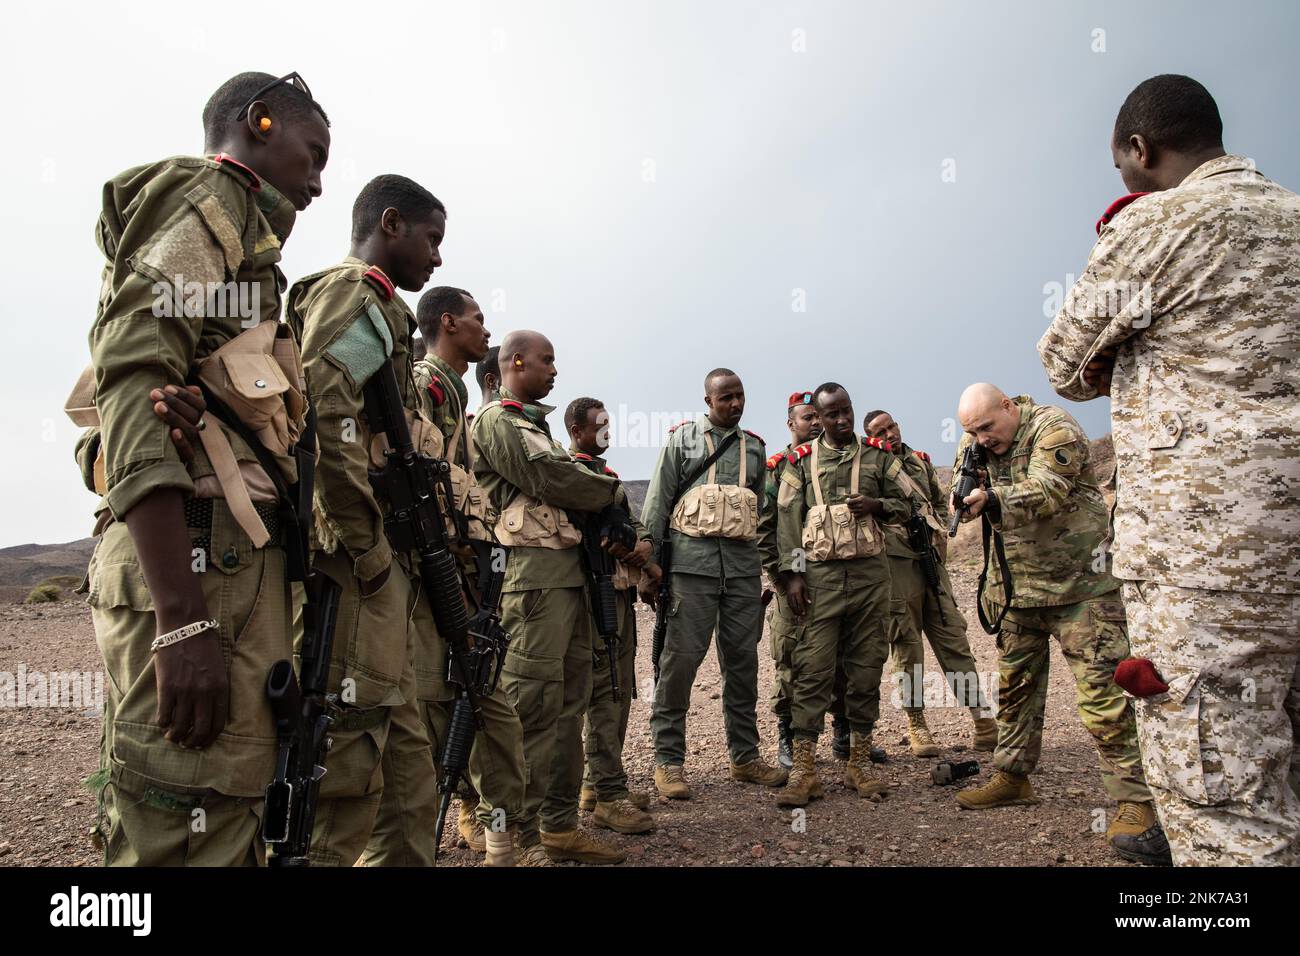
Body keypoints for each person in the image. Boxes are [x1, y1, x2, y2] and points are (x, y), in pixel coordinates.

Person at [1038, 74, 1300, 866]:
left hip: (1213, 565)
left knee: (1231, 810)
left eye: (1120, 162)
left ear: (1139, 150)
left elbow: (1064, 362)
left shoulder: (1158, 227)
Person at [77, 71, 329, 865]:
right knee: (185, 817)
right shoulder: (209, 196)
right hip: (193, 559)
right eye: (312, 152)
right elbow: (134, 373)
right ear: (258, 124)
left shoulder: (245, 242)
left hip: (225, 557)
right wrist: (181, 619)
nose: (320, 181)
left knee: (223, 815)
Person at [286, 174, 445, 866]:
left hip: (379, 566)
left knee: (404, 760)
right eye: (432, 239)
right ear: (391, 223)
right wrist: (368, 546)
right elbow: (325, 409)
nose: (436, 260)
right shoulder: (359, 296)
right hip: (354, 567)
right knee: (346, 761)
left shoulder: (382, 312)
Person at [949, 384, 1169, 865]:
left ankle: (1137, 803)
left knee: (1103, 699)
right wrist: (962, 498)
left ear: (1009, 406)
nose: (981, 439)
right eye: (972, 432)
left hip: (1080, 591)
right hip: (1019, 593)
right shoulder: (976, 445)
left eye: (987, 427)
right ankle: (1012, 777)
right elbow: (965, 488)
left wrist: (993, 499)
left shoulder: (1053, 428)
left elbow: (1048, 490)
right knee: (1016, 690)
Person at [471, 330, 635, 865]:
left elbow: (568, 475)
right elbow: (548, 476)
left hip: (568, 579)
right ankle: (513, 836)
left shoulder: (531, 425)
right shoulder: (499, 420)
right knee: (531, 707)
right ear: (515, 362)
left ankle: (558, 826)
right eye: (547, 360)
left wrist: (603, 502)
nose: (555, 370)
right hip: (532, 583)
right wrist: (609, 491)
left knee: (570, 706)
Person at [407, 286, 528, 865]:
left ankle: (496, 837)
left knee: (480, 704)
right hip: (426, 586)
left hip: (461, 585)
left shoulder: (453, 399)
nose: (487, 330)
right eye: (479, 320)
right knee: (443, 715)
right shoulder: (423, 389)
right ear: (450, 323)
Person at [640, 368, 788, 800]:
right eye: (725, 398)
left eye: (740, 396)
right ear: (708, 400)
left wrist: (771, 569)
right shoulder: (682, 441)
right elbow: (657, 505)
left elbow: (761, 515)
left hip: (741, 572)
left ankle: (744, 759)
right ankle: (668, 763)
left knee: (743, 664)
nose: (735, 404)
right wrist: (650, 569)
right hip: (690, 571)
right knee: (680, 663)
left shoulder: (756, 450)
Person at [773, 384, 908, 806]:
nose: (842, 420)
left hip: (870, 579)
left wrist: (878, 506)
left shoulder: (878, 457)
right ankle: (805, 770)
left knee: (866, 667)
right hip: (820, 583)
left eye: (847, 411)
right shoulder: (800, 463)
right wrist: (793, 576)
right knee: (813, 671)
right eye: (832, 415)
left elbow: (909, 503)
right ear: (820, 417)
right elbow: (786, 521)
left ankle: (859, 764)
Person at [863, 410, 997, 756]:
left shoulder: (919, 461)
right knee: (907, 648)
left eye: (891, 425)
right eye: (880, 431)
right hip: (895, 566)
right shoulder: (869, 466)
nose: (889, 433)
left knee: (953, 639)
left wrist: (938, 533)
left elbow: (939, 500)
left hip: (931, 564)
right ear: (869, 437)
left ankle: (983, 720)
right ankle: (917, 723)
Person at [565, 396, 657, 836]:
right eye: (599, 427)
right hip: (589, 596)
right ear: (576, 431)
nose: (607, 433)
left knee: (620, 690)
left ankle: (597, 784)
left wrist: (642, 548)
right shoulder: (572, 476)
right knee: (604, 691)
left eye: (609, 426)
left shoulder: (608, 478)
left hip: (619, 594)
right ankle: (607, 793)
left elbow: (633, 528)